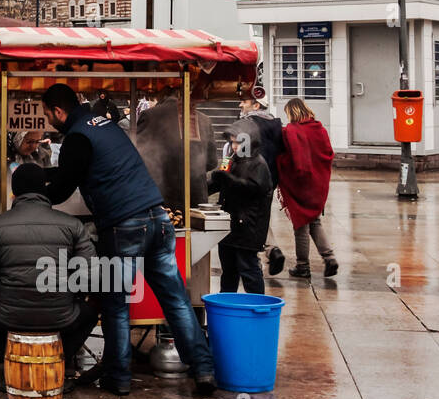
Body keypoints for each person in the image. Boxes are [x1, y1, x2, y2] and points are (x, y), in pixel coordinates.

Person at [40, 83, 215, 396]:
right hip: (158, 218)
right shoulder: (105, 125)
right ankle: (203, 370)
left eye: (48, 115)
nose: (50, 121)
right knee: (176, 301)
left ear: (57, 110)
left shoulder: (77, 137)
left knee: (116, 305)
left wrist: (34, 194)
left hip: (124, 226)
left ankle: (118, 378)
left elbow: (64, 187)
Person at [0, 164, 101, 388]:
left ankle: (13, 360)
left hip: (8, 315)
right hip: (62, 315)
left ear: (15, 192)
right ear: (44, 190)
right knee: (91, 312)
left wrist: (1, 291)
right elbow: (90, 279)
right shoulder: (73, 225)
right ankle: (58, 360)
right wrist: (68, 293)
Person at [207, 118, 273, 293]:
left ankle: (257, 307)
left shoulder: (258, 163)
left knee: (249, 270)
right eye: (232, 142)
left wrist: (227, 179)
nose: (234, 146)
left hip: (248, 227)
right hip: (231, 224)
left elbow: (253, 189)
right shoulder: (233, 159)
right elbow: (217, 181)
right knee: (228, 271)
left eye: (238, 142)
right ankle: (226, 305)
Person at [276, 98, 337, 279]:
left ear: (291, 112)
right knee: (315, 221)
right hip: (318, 184)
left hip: (300, 185)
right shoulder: (319, 128)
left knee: (301, 224)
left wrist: (280, 165)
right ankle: (329, 257)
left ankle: (303, 266)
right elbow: (328, 154)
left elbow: (288, 158)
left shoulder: (291, 131)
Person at [135, 88, 217, 209]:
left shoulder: (150, 116)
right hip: (196, 199)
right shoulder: (204, 120)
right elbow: (212, 162)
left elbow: (139, 157)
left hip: (162, 198)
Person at [0, 129, 51, 206]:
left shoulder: (41, 154)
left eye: (37, 142)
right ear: (17, 138)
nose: (34, 146)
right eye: (29, 142)